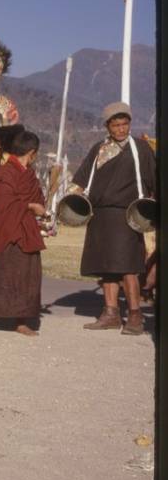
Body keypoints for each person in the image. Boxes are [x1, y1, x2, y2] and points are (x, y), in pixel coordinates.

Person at [69, 102, 155, 335]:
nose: (121, 129)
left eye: (125, 124)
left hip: (127, 215)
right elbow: (81, 179)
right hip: (100, 216)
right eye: (116, 125)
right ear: (108, 126)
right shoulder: (99, 149)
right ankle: (110, 313)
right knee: (106, 268)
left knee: (128, 268)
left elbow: (154, 182)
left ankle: (135, 317)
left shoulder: (141, 149)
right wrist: (70, 199)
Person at [0, 130, 46, 336]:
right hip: (9, 229)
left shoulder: (30, 175)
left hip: (27, 231)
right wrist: (31, 207)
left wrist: (38, 207)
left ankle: (21, 321)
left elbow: (39, 197)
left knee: (28, 276)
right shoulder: (5, 172)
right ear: (32, 152)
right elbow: (3, 202)